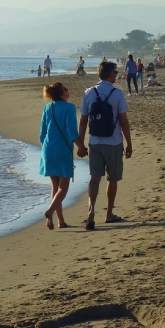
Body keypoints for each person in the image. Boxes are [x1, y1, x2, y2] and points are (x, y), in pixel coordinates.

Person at [77, 62, 132, 229]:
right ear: (110, 74)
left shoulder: (89, 93)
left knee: (94, 178)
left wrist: (80, 144)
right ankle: (108, 213)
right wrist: (129, 143)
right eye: (115, 72)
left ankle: (91, 211)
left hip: (94, 141)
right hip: (113, 141)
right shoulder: (117, 93)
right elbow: (123, 121)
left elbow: (83, 120)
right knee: (112, 178)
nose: (116, 75)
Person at [39, 82, 81, 230]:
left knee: (55, 187)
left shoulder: (47, 107)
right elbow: (72, 132)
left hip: (48, 149)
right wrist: (81, 146)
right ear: (61, 93)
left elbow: (42, 134)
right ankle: (50, 212)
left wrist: (48, 146)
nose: (68, 90)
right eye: (66, 89)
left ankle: (61, 221)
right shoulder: (69, 108)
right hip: (62, 150)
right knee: (63, 188)